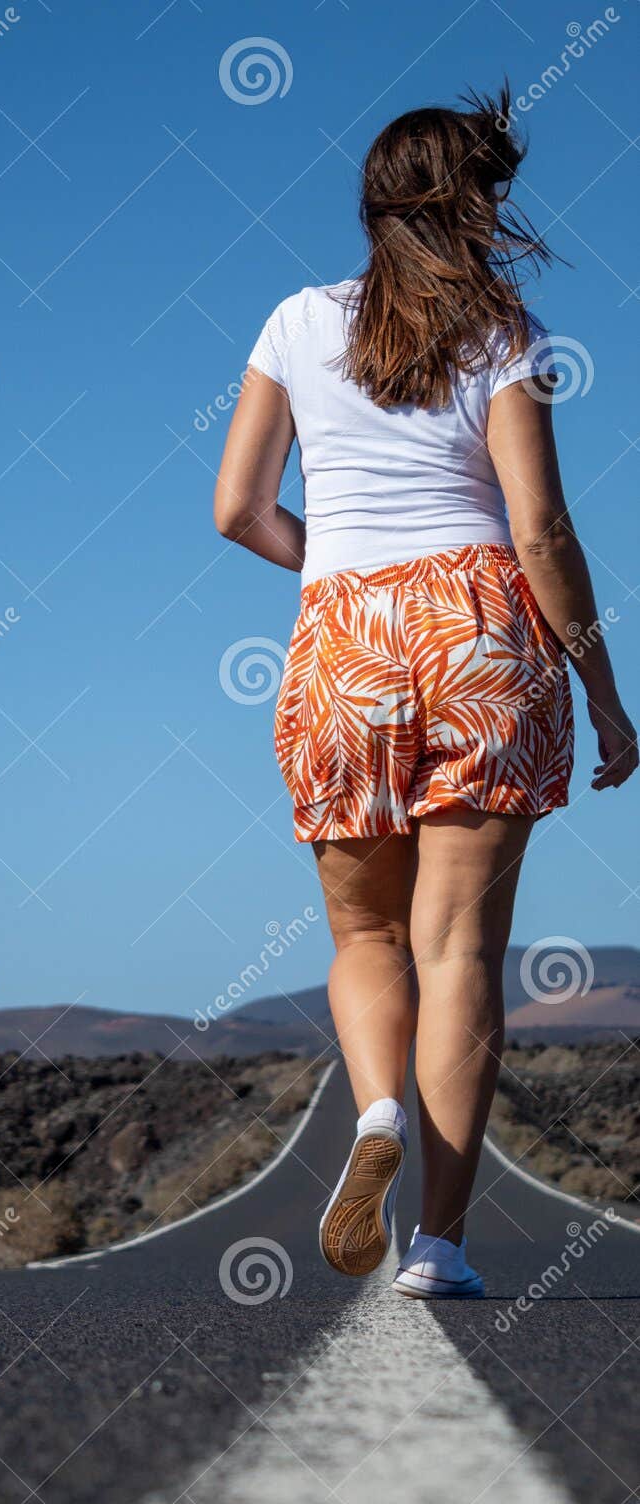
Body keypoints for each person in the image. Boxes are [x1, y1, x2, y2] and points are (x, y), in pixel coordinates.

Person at [214, 88, 637, 1298]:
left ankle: (375, 1109)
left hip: (343, 633)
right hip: (481, 629)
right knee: (459, 949)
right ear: (476, 206)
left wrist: (345, 572)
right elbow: (539, 527)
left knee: (363, 933)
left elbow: (235, 510)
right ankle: (437, 1249)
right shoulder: (506, 330)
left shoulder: (296, 320)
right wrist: (602, 689)